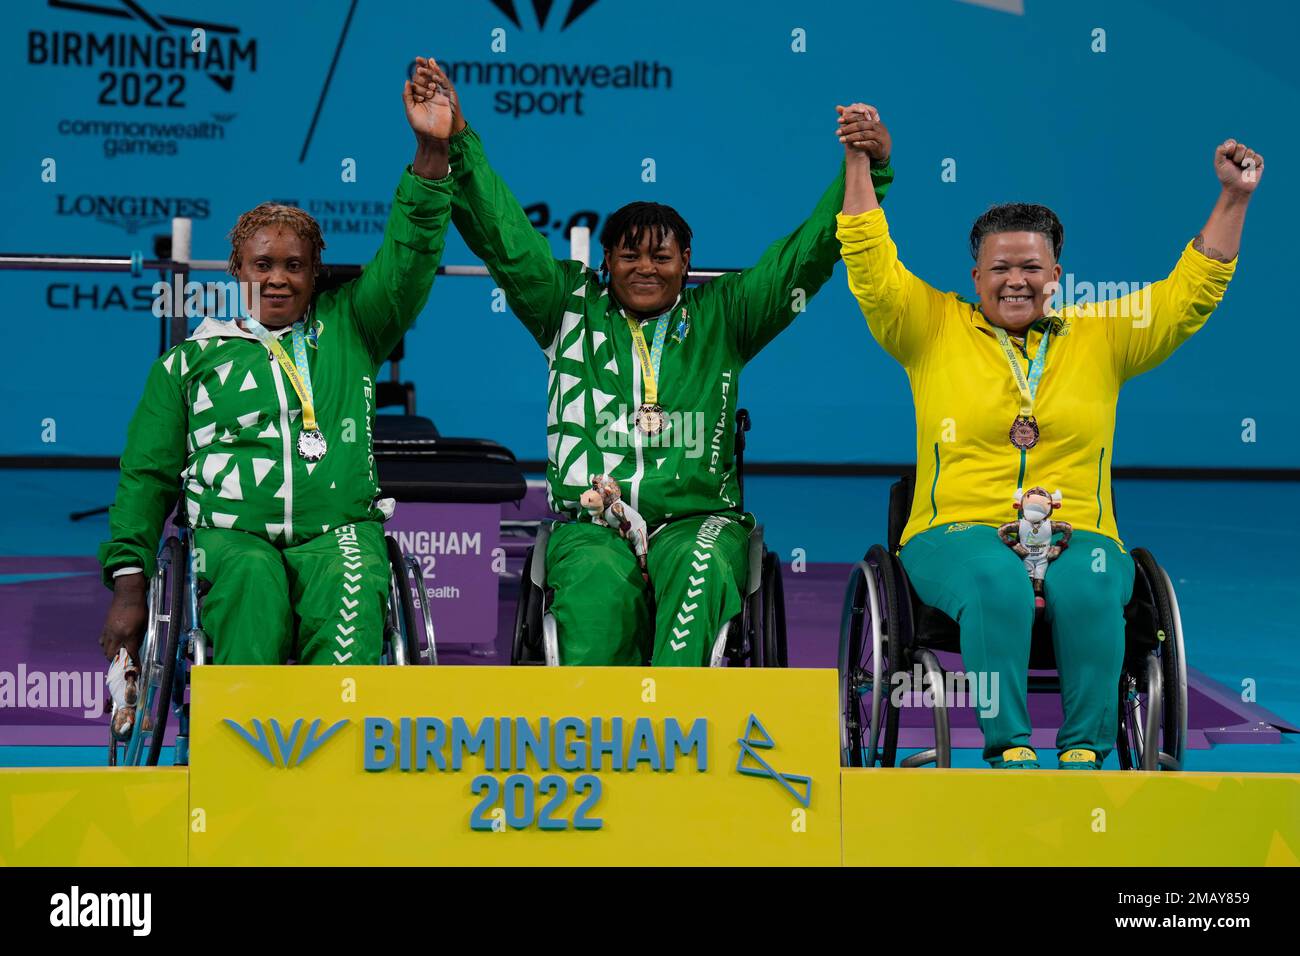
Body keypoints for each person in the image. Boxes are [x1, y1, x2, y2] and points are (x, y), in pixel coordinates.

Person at [413, 63, 895, 665]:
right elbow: (502, 235)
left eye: (661, 256)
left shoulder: (726, 314)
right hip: (592, 526)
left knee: (698, 569)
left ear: (687, 260)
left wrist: (865, 169)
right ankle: (598, 738)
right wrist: (453, 142)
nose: (645, 268)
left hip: (696, 521)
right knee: (593, 592)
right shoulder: (565, 306)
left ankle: (675, 736)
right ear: (606, 261)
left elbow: (805, 257)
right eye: (628, 255)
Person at [836, 101, 1262, 768]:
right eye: (1000, 268)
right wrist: (862, 161)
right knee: (995, 580)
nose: (1015, 280)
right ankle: (1009, 750)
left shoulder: (1103, 337)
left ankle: (1085, 755)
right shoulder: (927, 327)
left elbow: (1191, 293)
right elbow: (868, 260)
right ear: (975, 277)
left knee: (1093, 581)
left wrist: (1233, 196)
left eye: (1032, 267)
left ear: (1056, 277)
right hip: (957, 533)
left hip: (1079, 531)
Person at [97, 57, 458, 666]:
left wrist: (429, 153)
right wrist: (129, 586)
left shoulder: (352, 328)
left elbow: (410, 252)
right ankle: (249, 752)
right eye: (263, 264)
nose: (279, 279)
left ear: (316, 273)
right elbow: (146, 477)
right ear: (237, 268)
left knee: (350, 585)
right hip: (234, 538)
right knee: (252, 588)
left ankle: (336, 751)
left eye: (294, 266)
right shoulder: (189, 361)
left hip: (338, 532)